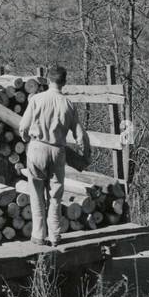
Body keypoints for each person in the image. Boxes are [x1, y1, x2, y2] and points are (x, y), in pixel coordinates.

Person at [18, 64, 90, 246]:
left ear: (49, 80)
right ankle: (55, 235)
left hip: (37, 148)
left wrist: (27, 138)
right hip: (58, 150)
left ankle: (38, 235)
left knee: (36, 192)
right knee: (55, 195)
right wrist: (85, 155)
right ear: (64, 82)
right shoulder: (68, 104)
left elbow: (23, 127)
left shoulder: (36, 99)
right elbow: (80, 135)